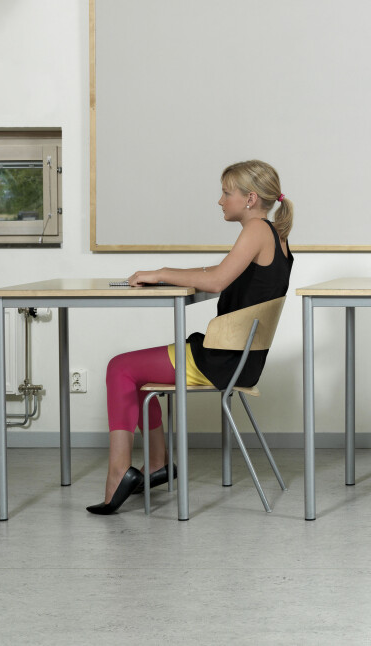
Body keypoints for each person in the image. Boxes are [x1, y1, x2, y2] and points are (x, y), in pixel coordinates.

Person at [88, 160, 294, 515]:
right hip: (238, 360)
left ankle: (119, 473)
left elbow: (215, 281)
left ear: (249, 198)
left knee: (120, 368)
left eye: (226, 193)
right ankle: (157, 466)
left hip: (221, 360)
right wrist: (168, 275)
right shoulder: (275, 234)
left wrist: (159, 272)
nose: (220, 201)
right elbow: (221, 274)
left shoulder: (256, 230)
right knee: (136, 377)